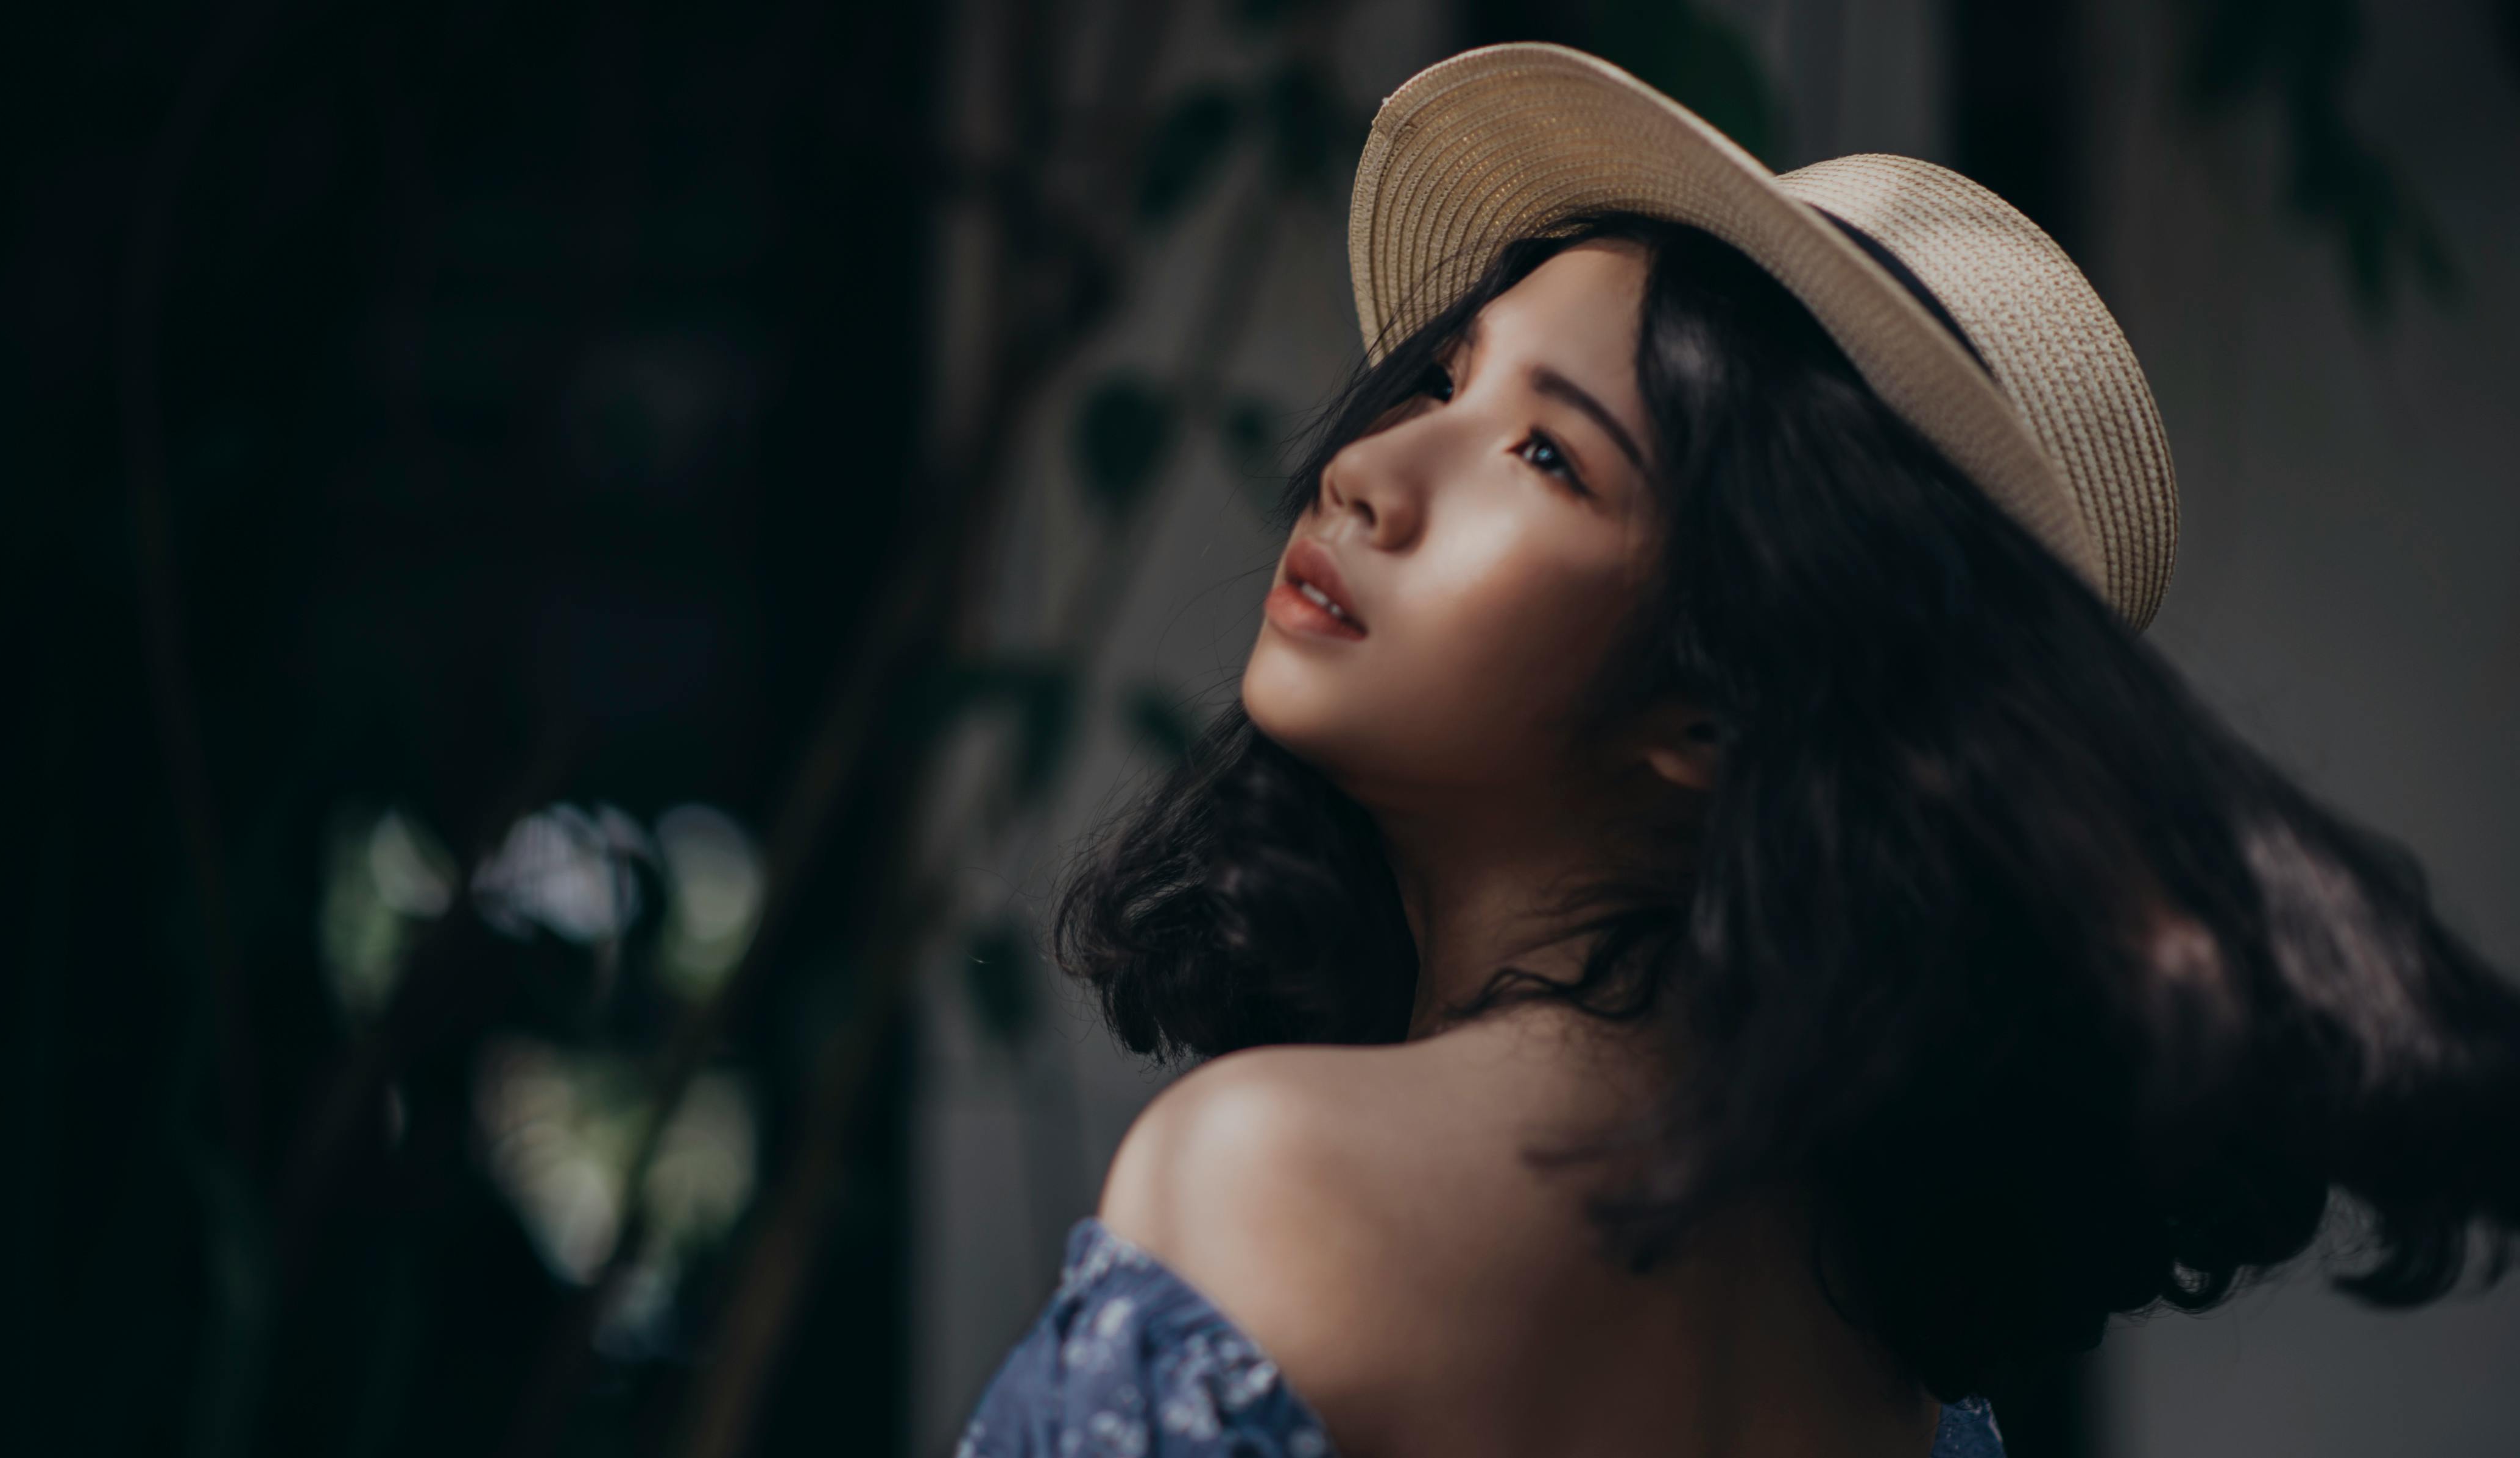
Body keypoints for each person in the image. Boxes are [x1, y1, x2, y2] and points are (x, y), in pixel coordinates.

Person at [953, 43, 2520, 1458]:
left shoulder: (1265, 1176)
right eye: (1441, 379)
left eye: (1548, 454)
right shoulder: (1901, 1389)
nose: (1366, 467)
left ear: (1717, 707)